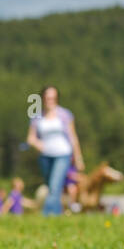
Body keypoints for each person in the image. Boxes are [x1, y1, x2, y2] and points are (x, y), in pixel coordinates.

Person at [26, 85, 84, 216]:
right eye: (47, 98)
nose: (50, 101)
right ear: (42, 99)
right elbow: (30, 138)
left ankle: (46, 215)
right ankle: (57, 215)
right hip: (45, 156)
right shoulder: (36, 116)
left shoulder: (65, 114)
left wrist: (78, 158)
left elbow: (73, 137)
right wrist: (37, 143)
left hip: (63, 154)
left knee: (54, 185)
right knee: (52, 187)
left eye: (53, 98)